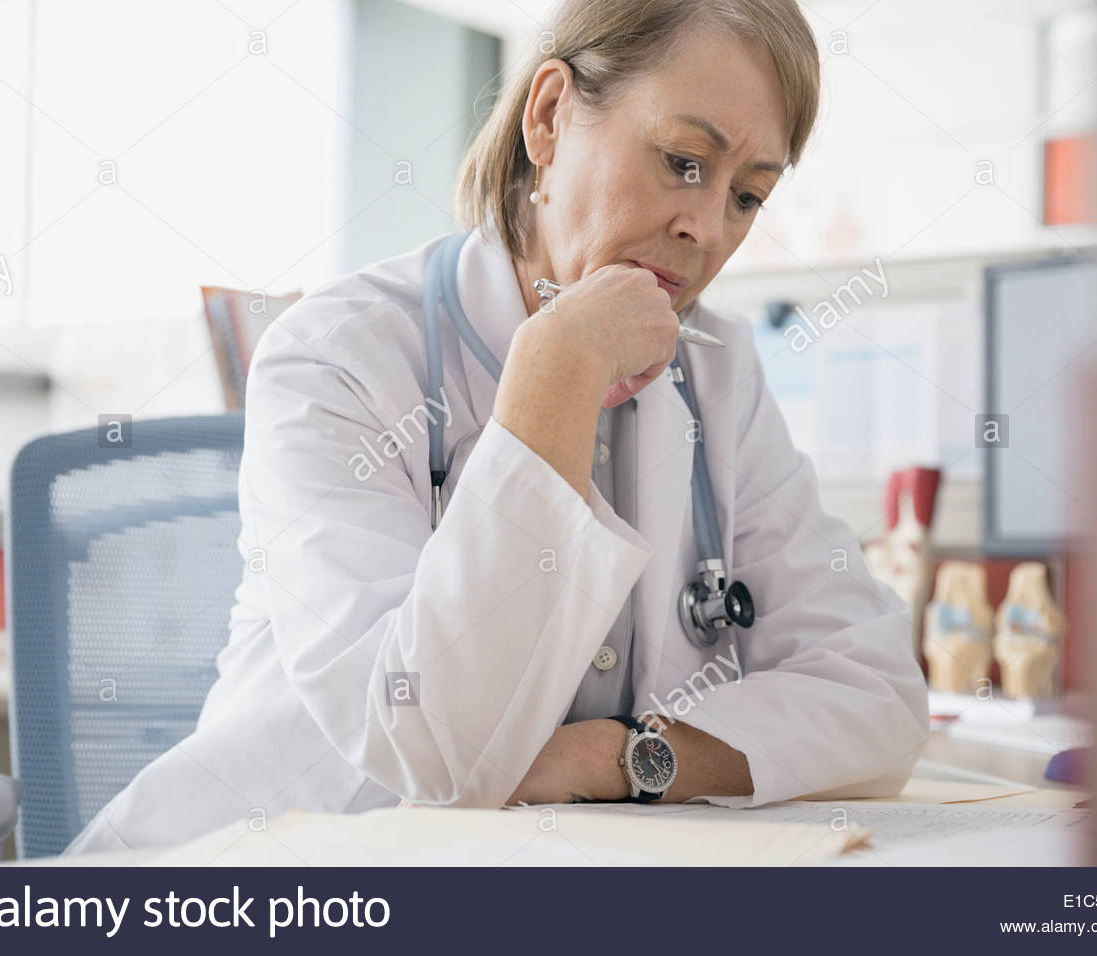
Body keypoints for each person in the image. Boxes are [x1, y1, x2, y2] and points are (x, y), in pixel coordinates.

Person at [65, 0, 928, 855]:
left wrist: (625, 756)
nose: (705, 228)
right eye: (682, 160)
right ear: (549, 118)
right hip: (272, 880)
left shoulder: (718, 373)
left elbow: (878, 692)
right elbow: (434, 753)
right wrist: (554, 380)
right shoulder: (337, 356)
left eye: (747, 195)